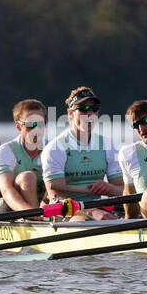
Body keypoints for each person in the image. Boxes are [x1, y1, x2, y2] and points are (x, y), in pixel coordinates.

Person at [41, 87, 123, 220]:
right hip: (67, 214)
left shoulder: (107, 145)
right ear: (70, 114)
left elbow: (122, 190)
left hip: (99, 210)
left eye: (94, 109)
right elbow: (58, 200)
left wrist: (110, 188)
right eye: (83, 109)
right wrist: (91, 212)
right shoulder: (55, 149)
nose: (90, 114)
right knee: (85, 219)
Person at [0, 99, 48, 211]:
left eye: (40, 124)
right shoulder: (5, 151)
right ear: (18, 126)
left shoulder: (52, 150)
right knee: (27, 178)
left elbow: (56, 187)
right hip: (11, 209)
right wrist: (32, 213)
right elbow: (6, 190)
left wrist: (44, 209)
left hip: (44, 208)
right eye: (30, 124)